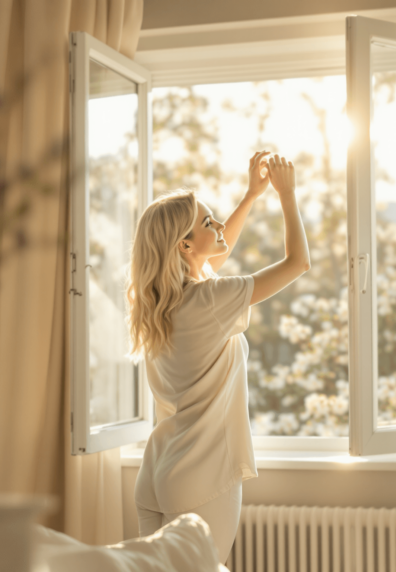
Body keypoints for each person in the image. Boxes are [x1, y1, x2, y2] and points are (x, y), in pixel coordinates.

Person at [127, 151, 310, 562]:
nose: (218, 226)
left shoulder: (159, 303)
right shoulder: (209, 301)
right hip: (200, 476)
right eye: (208, 222)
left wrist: (250, 196)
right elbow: (299, 263)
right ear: (185, 244)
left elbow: (216, 255)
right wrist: (287, 195)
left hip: (156, 473)